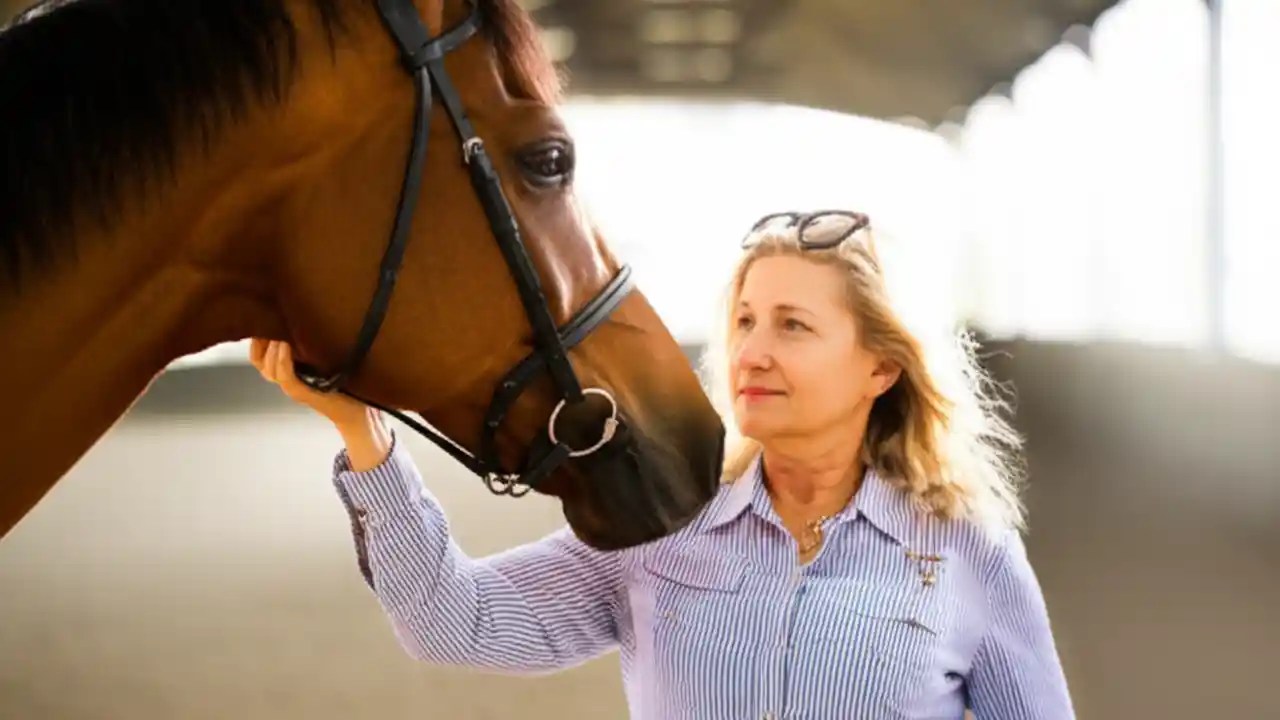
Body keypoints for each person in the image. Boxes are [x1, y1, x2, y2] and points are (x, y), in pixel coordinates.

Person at [250, 209, 1075, 720]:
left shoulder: (971, 555)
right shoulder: (662, 522)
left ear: (881, 368)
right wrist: (364, 435)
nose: (751, 350)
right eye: (745, 319)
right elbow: (449, 619)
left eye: (793, 325)